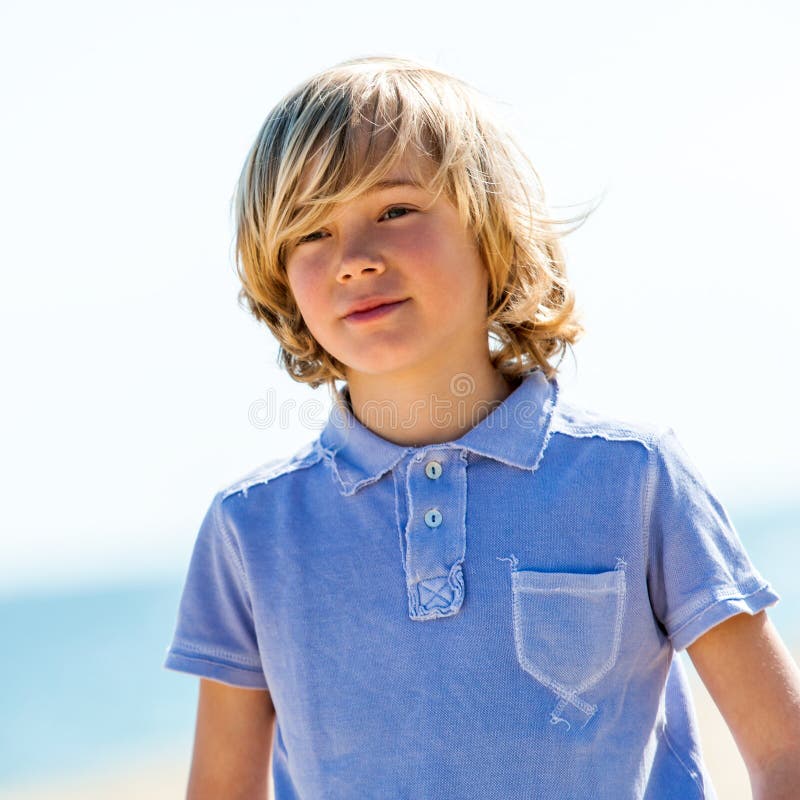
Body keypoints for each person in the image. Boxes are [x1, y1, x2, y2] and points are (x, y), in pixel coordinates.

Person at [163, 56, 800, 799]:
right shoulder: (252, 531)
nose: (354, 260)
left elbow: (782, 751)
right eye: (310, 233)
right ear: (278, 274)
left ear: (487, 227)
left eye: (395, 211)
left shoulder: (633, 478)